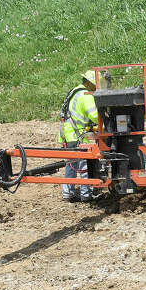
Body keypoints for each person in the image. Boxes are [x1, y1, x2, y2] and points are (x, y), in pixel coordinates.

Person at [58, 70, 99, 202]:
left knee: (71, 165)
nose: (95, 88)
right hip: (79, 136)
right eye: (94, 85)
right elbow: (94, 115)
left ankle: (68, 193)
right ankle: (86, 195)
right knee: (84, 166)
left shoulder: (74, 92)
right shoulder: (85, 95)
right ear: (88, 83)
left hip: (68, 135)